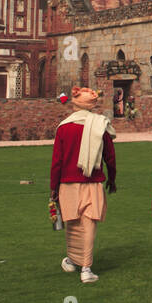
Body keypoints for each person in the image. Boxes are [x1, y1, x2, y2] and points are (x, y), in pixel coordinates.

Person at [49, 86, 116, 284]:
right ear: (92, 105)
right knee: (88, 225)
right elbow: (109, 157)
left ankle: (72, 260)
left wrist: (53, 187)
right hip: (92, 181)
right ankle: (85, 268)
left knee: (73, 223)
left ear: (75, 104)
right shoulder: (99, 125)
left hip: (68, 183)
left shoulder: (64, 127)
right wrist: (112, 179)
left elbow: (57, 161)